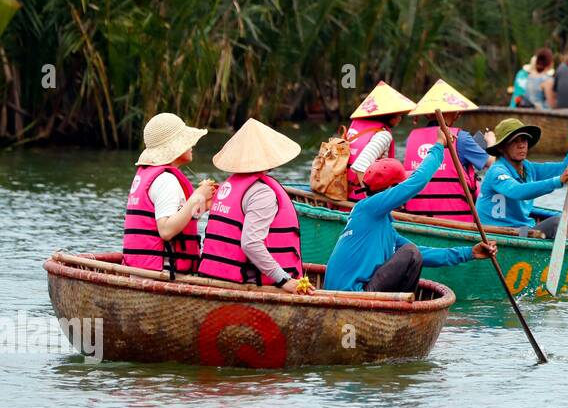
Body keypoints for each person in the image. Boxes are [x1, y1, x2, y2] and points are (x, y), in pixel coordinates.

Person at [323, 151, 497, 294]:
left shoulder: (383, 226)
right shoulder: (368, 207)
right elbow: (418, 182)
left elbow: (423, 254)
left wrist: (469, 253)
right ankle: (399, 315)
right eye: (400, 185)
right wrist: (438, 147)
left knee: (414, 253)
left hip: (356, 293)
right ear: (391, 189)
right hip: (351, 295)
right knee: (411, 253)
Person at [198, 119, 314, 292]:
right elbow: (250, 243)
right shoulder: (262, 193)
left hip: (216, 275)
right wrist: (284, 280)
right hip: (249, 282)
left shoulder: (228, 186)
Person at [122, 112, 216, 275]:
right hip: (161, 274)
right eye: (186, 142)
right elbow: (166, 230)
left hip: (143, 270)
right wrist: (196, 198)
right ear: (176, 147)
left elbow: (174, 217)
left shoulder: (154, 175)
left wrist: (202, 205)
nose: (191, 145)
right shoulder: (166, 180)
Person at [476, 111, 568, 237]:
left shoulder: (529, 168)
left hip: (521, 231)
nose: (521, 145)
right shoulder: (497, 171)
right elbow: (518, 191)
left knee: (560, 222)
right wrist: (559, 180)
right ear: (501, 148)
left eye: (524, 140)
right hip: (498, 234)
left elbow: (567, 167)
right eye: (515, 141)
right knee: (556, 223)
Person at [400, 87, 492, 221]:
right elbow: (492, 164)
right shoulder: (461, 138)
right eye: (458, 111)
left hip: (415, 218)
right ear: (454, 112)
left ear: (427, 114)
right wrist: (491, 143)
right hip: (456, 220)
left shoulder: (411, 138)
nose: (459, 114)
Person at [345, 81, 416, 201]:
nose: (400, 119)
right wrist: (371, 201)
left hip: (345, 193)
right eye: (399, 115)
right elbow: (360, 166)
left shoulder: (356, 126)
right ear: (389, 116)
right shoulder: (382, 135)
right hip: (358, 200)